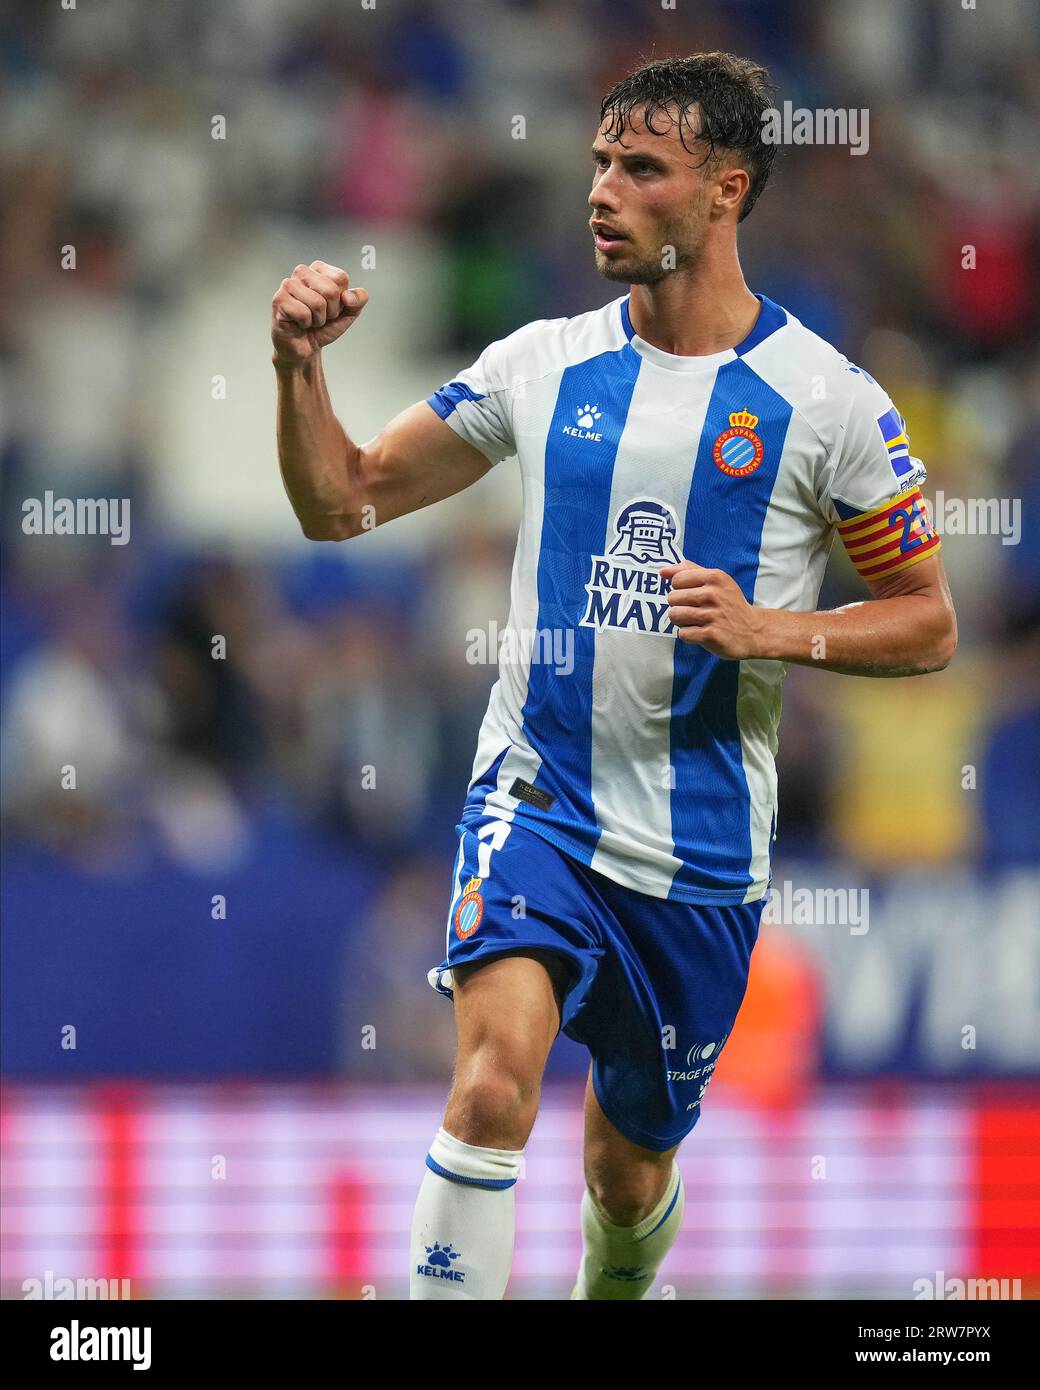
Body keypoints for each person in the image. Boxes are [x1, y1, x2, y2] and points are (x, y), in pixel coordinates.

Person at [271, 52, 957, 1300]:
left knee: (626, 1176)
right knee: (487, 1083)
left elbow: (925, 623)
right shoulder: (539, 363)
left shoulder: (828, 403)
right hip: (538, 797)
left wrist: (770, 629)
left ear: (723, 193)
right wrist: (295, 369)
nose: (601, 191)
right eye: (598, 162)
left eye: (640, 169)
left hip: (697, 856)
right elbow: (345, 503)